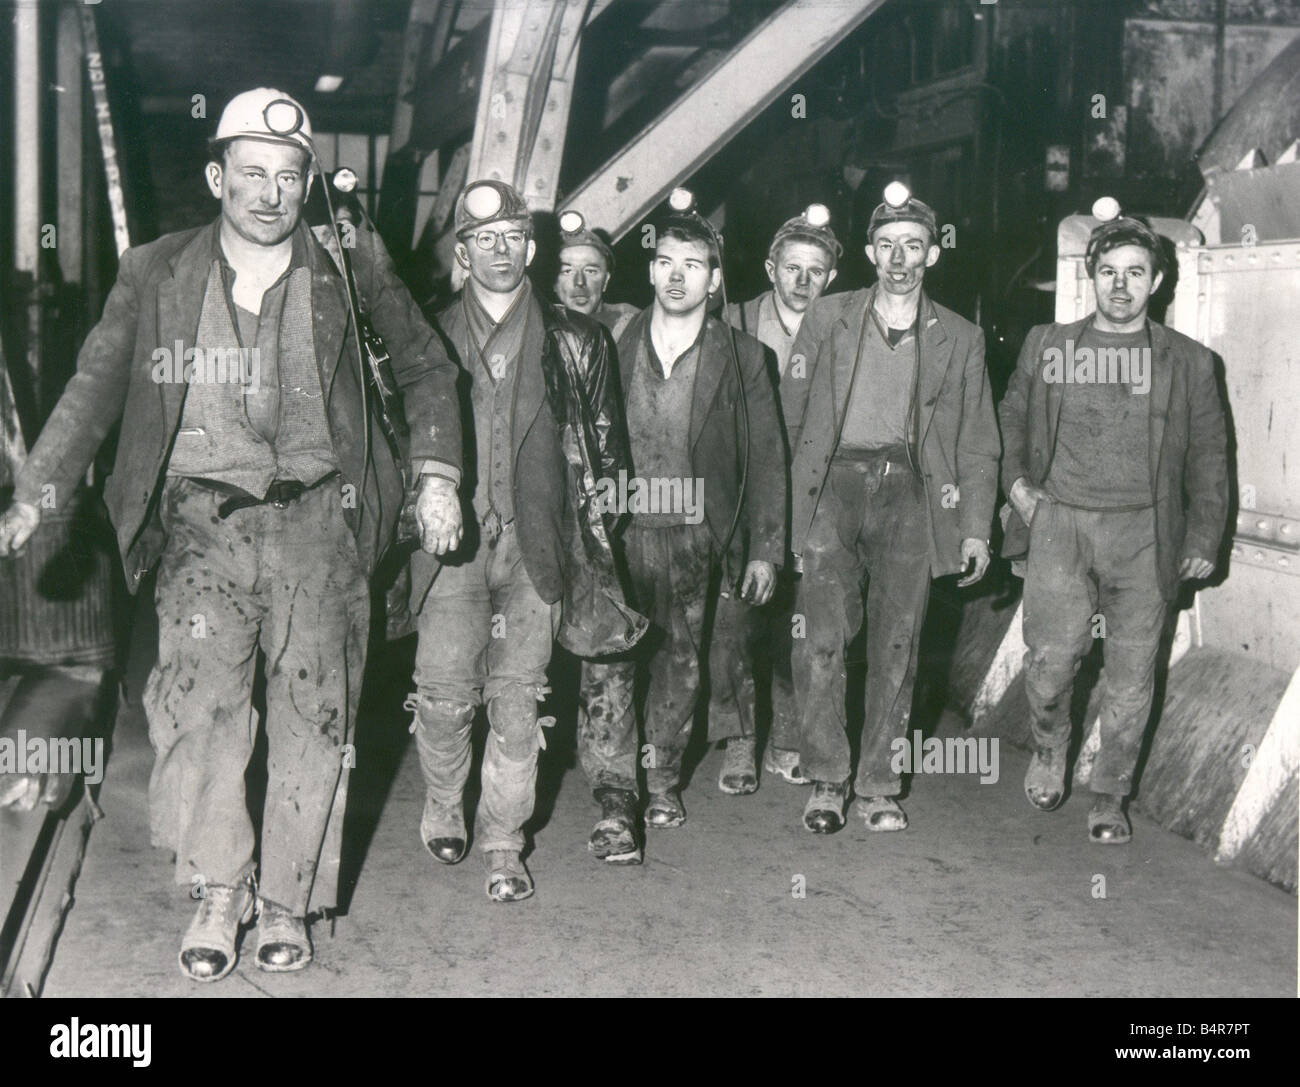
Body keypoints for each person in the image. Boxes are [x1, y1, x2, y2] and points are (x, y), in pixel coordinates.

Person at [0, 88, 464, 980]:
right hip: (200, 521)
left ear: (305, 185)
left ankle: (288, 897)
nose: (269, 194)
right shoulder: (156, 272)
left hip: (321, 519)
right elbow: (93, 387)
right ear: (218, 176)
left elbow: (425, 364)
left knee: (314, 713)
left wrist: (438, 478)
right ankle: (220, 887)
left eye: (288, 177)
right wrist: (38, 492)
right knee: (202, 711)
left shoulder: (349, 264)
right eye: (251, 174)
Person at [407, 179, 636, 902]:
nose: (499, 252)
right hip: (453, 546)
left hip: (540, 543)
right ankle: (445, 801)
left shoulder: (578, 337)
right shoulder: (429, 335)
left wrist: (601, 525)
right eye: (483, 241)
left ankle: (504, 839)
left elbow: (607, 442)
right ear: (463, 254)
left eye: (512, 239)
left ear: (532, 250)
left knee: (518, 699)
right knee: (443, 693)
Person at [999, 197, 1229, 844]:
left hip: (1145, 532)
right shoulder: (1050, 346)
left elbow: (1211, 455)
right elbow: (1011, 417)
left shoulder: (1188, 363)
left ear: (1156, 281)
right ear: (1090, 275)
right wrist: (1017, 488)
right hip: (1060, 523)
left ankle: (1110, 793)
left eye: (1135, 272)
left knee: (1132, 675)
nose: (1121, 286)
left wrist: (1203, 535)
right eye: (1109, 272)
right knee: (1049, 662)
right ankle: (1051, 746)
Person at [784, 182, 1000, 834]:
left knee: (898, 643)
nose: (899, 258)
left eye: (913, 245)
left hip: (911, 489)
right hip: (834, 486)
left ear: (932, 254)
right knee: (821, 635)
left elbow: (978, 440)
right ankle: (826, 778)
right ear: (871, 253)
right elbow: (790, 416)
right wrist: (787, 517)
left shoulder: (959, 338)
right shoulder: (828, 318)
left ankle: (878, 784)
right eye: (886, 245)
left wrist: (975, 529)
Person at [576, 189, 786, 851]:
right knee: (609, 661)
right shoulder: (613, 340)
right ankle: (615, 796)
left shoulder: (745, 358)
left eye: (691, 265)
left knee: (678, 661)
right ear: (650, 269)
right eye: (666, 261)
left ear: (715, 280)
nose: (675, 275)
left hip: (697, 532)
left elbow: (767, 459)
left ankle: (660, 776)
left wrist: (765, 550)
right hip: (621, 527)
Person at [709, 204, 842, 794]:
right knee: (735, 619)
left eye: (816, 270)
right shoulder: (731, 320)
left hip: (814, 494)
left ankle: (786, 735)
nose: (803, 280)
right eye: (792, 268)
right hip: (743, 492)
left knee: (801, 619)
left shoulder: (842, 330)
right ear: (770, 268)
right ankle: (739, 738)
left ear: (831, 278)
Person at [552, 210, 639, 339]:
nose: (580, 281)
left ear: (606, 280)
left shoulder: (632, 324)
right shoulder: (537, 325)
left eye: (590, 271)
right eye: (567, 271)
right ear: (553, 282)